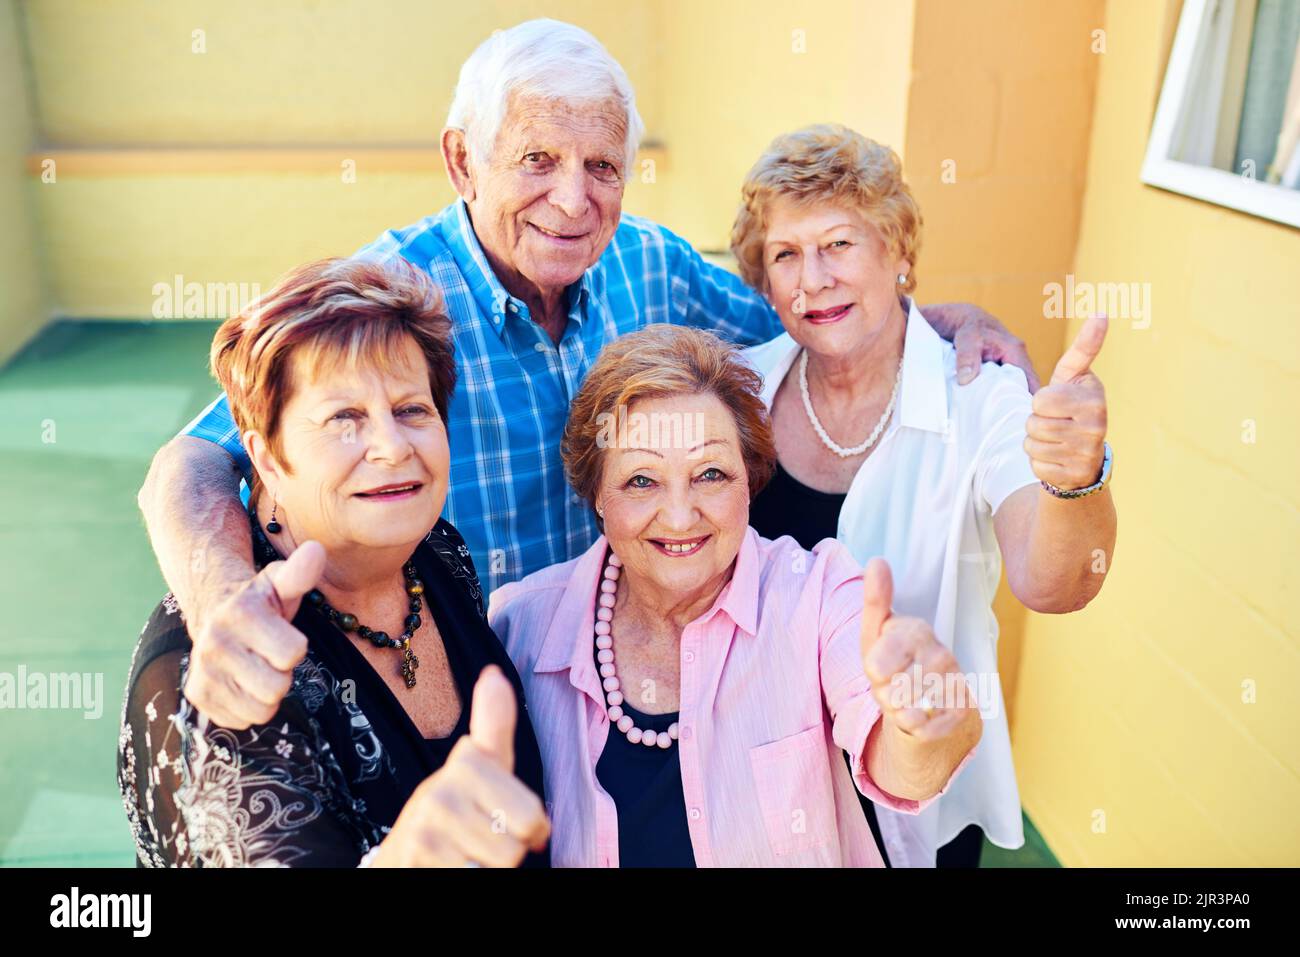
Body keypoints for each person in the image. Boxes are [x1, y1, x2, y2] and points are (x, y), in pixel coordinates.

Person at [136, 18, 1037, 733]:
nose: (574, 199)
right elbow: (193, 462)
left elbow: (811, 326)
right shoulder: (390, 299)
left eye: (602, 166)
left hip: (634, 689)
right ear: (462, 161)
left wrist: (929, 320)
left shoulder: (654, 265)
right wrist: (221, 600)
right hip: (468, 693)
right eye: (537, 160)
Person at [735, 125, 1118, 867]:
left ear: (899, 253)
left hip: (919, 793)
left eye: (840, 244)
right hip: (764, 793)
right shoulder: (739, 390)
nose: (812, 279)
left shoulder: (982, 397)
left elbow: (1055, 582)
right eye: (786, 255)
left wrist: (1075, 481)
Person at [488, 325, 982, 866]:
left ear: (749, 478)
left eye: (710, 473)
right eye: (641, 481)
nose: (680, 516)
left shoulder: (817, 595)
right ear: (597, 494)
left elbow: (901, 761)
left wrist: (924, 725)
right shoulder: (521, 626)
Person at [118, 259, 550, 867]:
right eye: (344, 418)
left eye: (411, 410)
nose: (392, 446)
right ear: (266, 458)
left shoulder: (437, 556)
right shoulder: (217, 661)